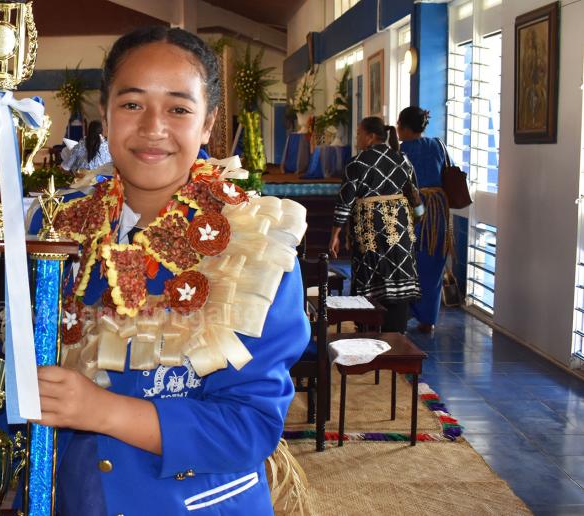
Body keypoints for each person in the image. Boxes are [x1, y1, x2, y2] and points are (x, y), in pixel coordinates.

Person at [29, 27, 310, 514]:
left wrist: (102, 411)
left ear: (208, 124)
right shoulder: (57, 226)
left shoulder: (254, 241)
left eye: (179, 108)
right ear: (106, 112)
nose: (153, 127)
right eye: (132, 104)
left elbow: (251, 426)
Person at [329, 117, 420, 332]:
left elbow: (345, 201)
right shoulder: (402, 158)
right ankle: (397, 331)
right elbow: (415, 193)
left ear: (370, 136)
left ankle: (368, 327)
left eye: (359, 133)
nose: (357, 138)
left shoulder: (357, 163)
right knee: (398, 273)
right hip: (398, 227)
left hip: (370, 226)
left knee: (371, 273)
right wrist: (419, 217)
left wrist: (335, 234)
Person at [397, 107, 450, 333]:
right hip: (438, 210)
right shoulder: (438, 145)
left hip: (415, 210)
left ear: (406, 128)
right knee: (434, 261)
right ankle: (428, 319)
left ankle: (407, 311)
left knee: (410, 261)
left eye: (399, 124)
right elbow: (448, 171)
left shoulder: (402, 151)